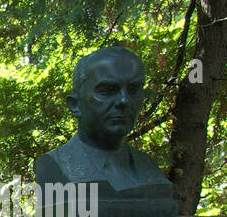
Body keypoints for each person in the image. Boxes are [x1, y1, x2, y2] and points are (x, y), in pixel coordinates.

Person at [35, 46, 170, 190]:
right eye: (107, 91)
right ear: (75, 105)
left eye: (133, 90)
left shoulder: (148, 168)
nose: (124, 101)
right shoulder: (55, 166)